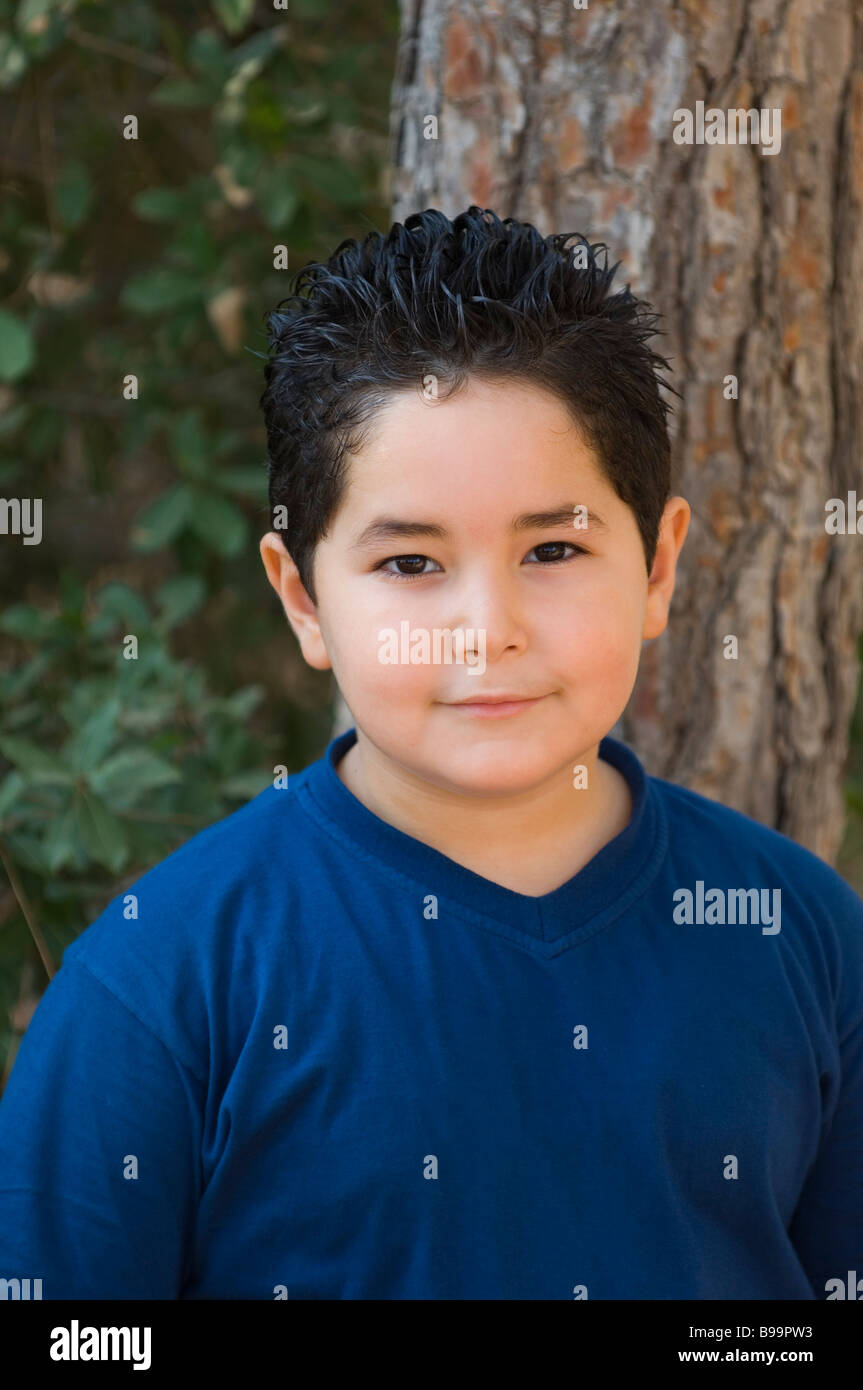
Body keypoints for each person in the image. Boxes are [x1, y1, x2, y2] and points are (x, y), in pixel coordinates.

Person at [0, 206, 860, 1299]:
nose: (483, 628)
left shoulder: (799, 932)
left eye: (552, 549)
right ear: (302, 598)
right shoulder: (162, 983)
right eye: (409, 563)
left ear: (656, 569)